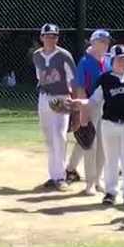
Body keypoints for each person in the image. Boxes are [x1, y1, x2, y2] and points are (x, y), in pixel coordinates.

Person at [77, 44, 124, 207]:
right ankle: (111, 192)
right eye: (120, 59)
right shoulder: (105, 79)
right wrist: (80, 104)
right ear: (112, 60)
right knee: (111, 160)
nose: (123, 62)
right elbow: (94, 100)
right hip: (108, 124)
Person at [67, 29, 111, 194]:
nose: (106, 44)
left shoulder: (108, 61)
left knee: (103, 146)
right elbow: (80, 88)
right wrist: (83, 113)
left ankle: (98, 180)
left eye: (107, 42)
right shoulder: (85, 62)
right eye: (102, 41)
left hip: (107, 107)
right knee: (90, 145)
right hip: (90, 105)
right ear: (93, 43)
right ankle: (90, 184)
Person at [33, 24, 76, 190]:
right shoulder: (37, 55)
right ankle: (53, 176)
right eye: (47, 36)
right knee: (49, 137)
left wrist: (74, 102)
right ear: (41, 37)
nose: (50, 39)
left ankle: (60, 177)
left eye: (54, 36)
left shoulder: (64, 55)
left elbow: (73, 79)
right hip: (44, 98)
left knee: (60, 135)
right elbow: (39, 76)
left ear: (57, 38)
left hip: (61, 98)